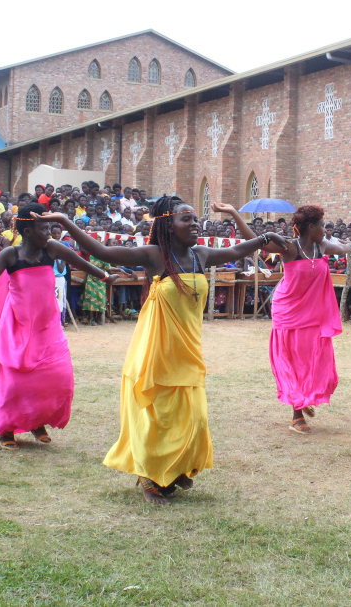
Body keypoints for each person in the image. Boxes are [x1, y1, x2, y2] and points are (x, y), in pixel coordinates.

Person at [35, 196, 286, 504]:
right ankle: (150, 477)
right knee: (158, 415)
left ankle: (177, 465)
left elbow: (235, 250)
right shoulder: (154, 255)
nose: (194, 224)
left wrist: (264, 238)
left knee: (195, 416)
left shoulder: (200, 256)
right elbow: (103, 251)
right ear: (168, 225)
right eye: (186, 219)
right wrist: (64, 221)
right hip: (157, 346)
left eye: (195, 219)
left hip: (188, 348)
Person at [0, 203, 108, 450]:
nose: (50, 233)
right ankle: (5, 428)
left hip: (47, 325)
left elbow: (83, 264)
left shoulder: (51, 249)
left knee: (57, 377)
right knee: (15, 381)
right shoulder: (11, 255)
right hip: (18, 324)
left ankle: (36, 421)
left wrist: (106, 276)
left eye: (51, 227)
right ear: (28, 231)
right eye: (44, 228)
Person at [216, 202, 351, 434]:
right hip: (288, 310)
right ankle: (296, 414)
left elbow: (344, 249)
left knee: (315, 358)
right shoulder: (288, 247)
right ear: (310, 227)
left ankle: (304, 396)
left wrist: (348, 244)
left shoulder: (323, 246)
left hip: (314, 312)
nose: (325, 230)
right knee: (293, 360)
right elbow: (254, 240)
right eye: (322, 225)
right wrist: (233, 212)